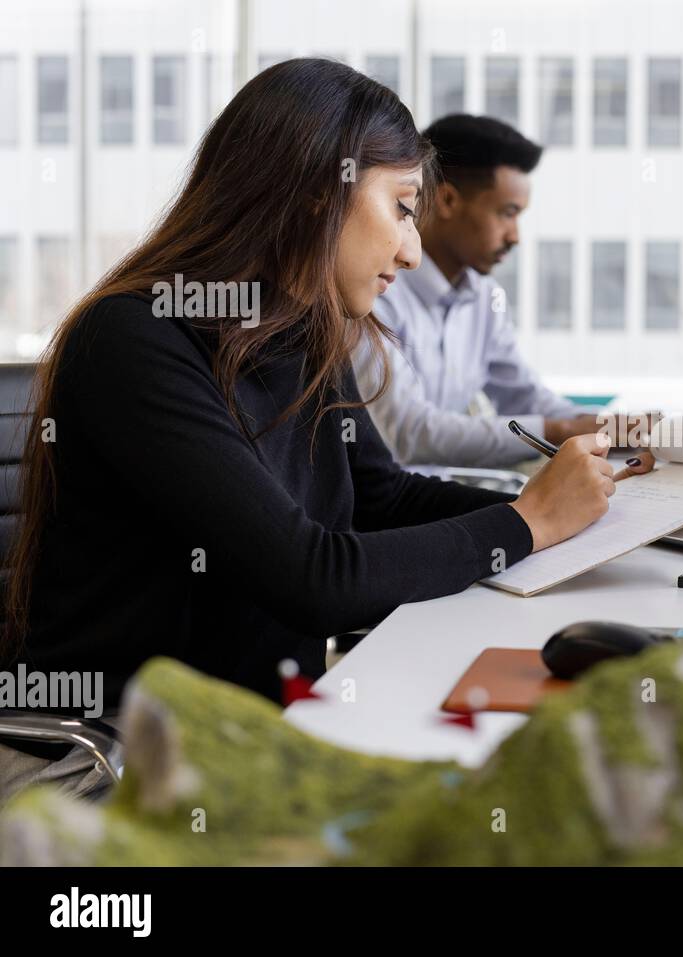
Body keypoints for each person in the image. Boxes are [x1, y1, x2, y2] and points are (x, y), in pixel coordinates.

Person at [0, 59, 647, 800]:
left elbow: (383, 498)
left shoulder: (302, 336)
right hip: (108, 753)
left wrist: (592, 517)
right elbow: (311, 577)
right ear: (317, 192)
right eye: (403, 207)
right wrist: (526, 521)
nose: (411, 247)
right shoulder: (136, 340)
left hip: (248, 731)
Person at [353, 114, 611, 469]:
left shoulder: (483, 298)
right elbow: (407, 431)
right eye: (507, 213)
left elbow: (526, 397)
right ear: (447, 201)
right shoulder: (373, 293)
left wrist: (610, 427)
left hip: (435, 496)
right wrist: (560, 430)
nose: (515, 235)